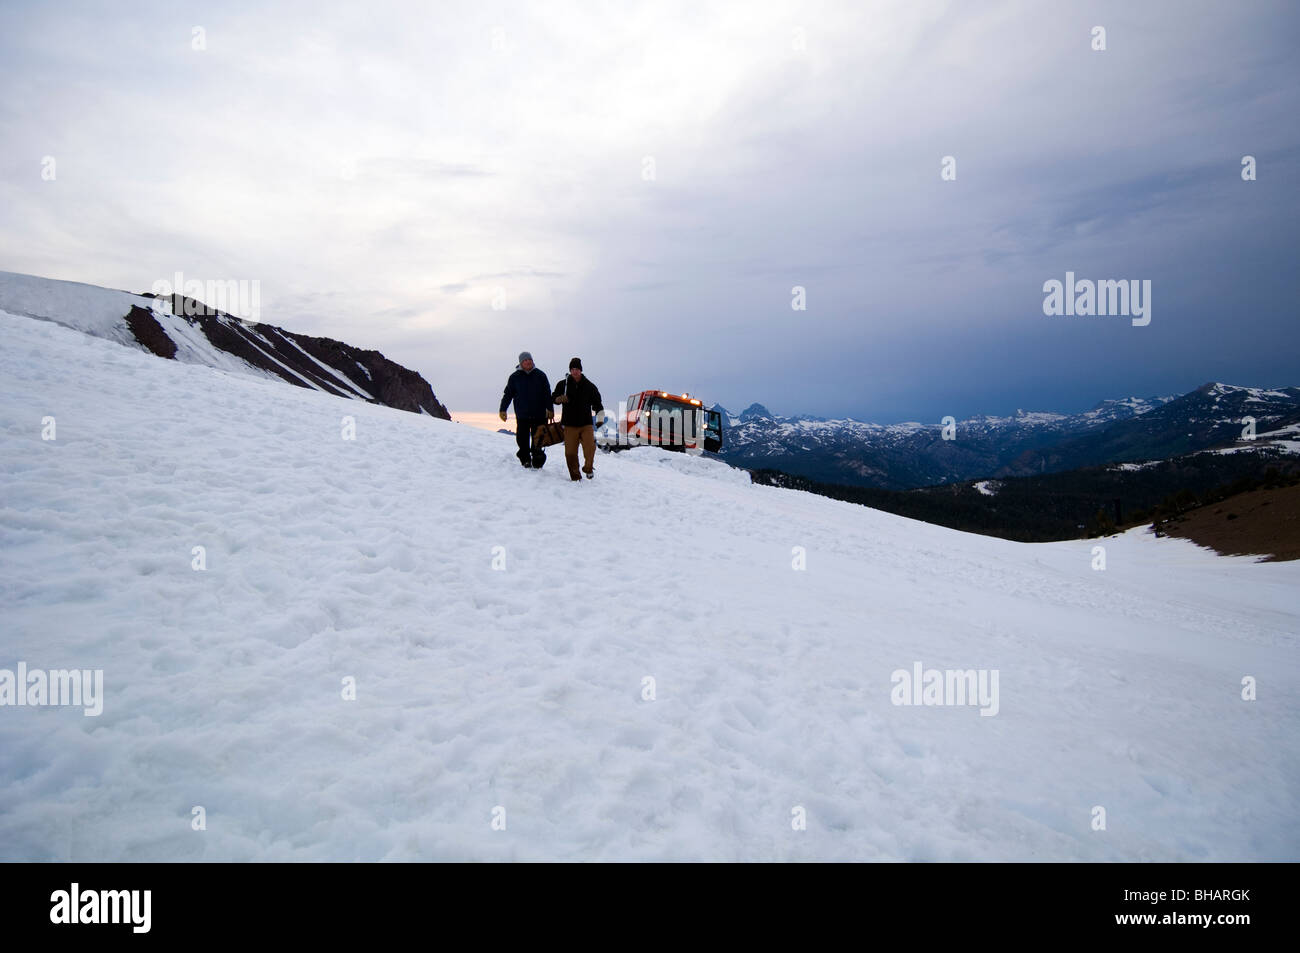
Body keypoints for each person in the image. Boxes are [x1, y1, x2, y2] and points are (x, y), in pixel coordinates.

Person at [552, 357, 605, 481]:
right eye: (572, 369)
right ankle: (575, 477)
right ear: (570, 370)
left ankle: (588, 468)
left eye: (577, 369)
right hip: (569, 424)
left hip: (585, 424)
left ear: (581, 370)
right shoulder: (563, 384)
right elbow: (553, 397)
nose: (575, 371)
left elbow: (598, 403)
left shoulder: (589, 386)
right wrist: (558, 399)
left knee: (590, 448)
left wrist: (600, 416)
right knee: (570, 453)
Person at [499, 351, 554, 469]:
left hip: (539, 415)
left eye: (530, 360)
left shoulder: (540, 375)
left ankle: (538, 461)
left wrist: (550, 409)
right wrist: (503, 409)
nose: (528, 362)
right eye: (525, 360)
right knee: (522, 440)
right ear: (521, 363)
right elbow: (508, 394)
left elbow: (547, 393)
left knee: (538, 441)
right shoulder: (514, 377)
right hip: (522, 415)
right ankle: (525, 460)